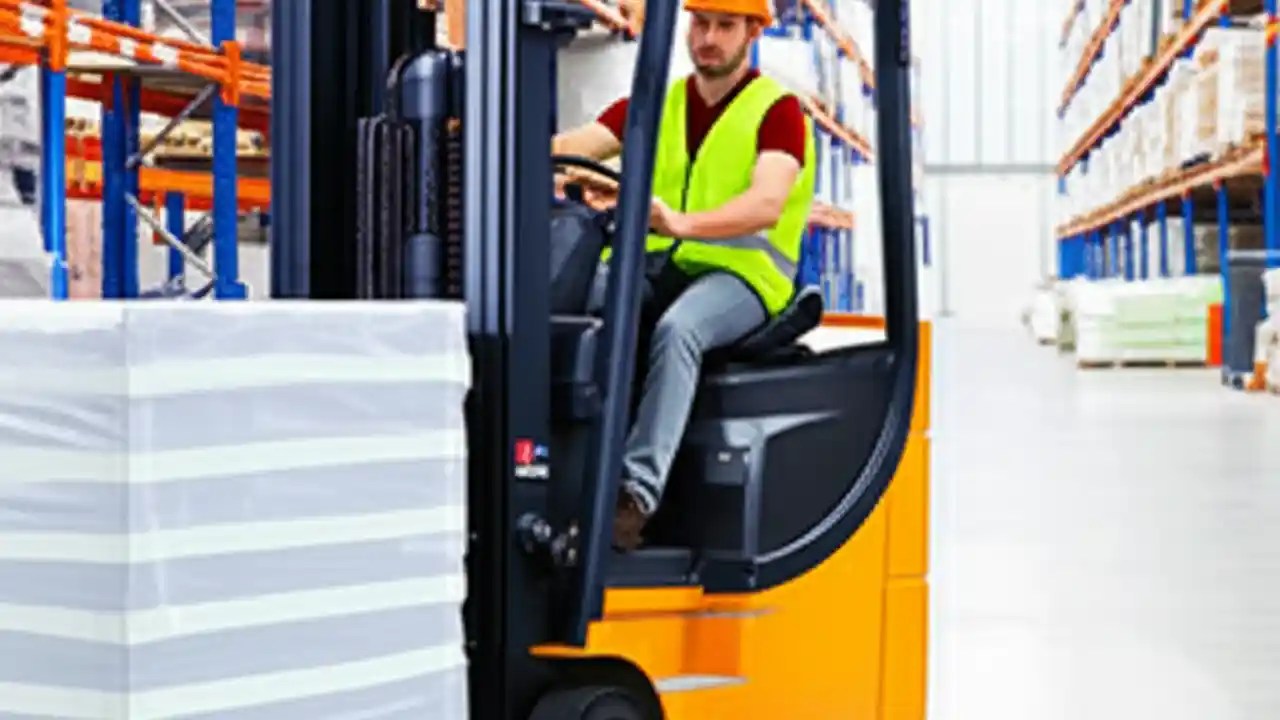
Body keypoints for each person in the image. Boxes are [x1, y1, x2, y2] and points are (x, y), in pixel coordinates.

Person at [552, 0, 816, 550]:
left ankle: (633, 496)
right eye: (700, 24)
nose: (709, 38)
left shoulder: (779, 111)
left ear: (752, 33)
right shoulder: (659, 102)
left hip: (743, 277)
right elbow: (577, 147)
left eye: (725, 26)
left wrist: (680, 222)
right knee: (583, 301)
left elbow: (767, 202)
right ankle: (562, 466)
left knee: (680, 331)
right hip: (662, 264)